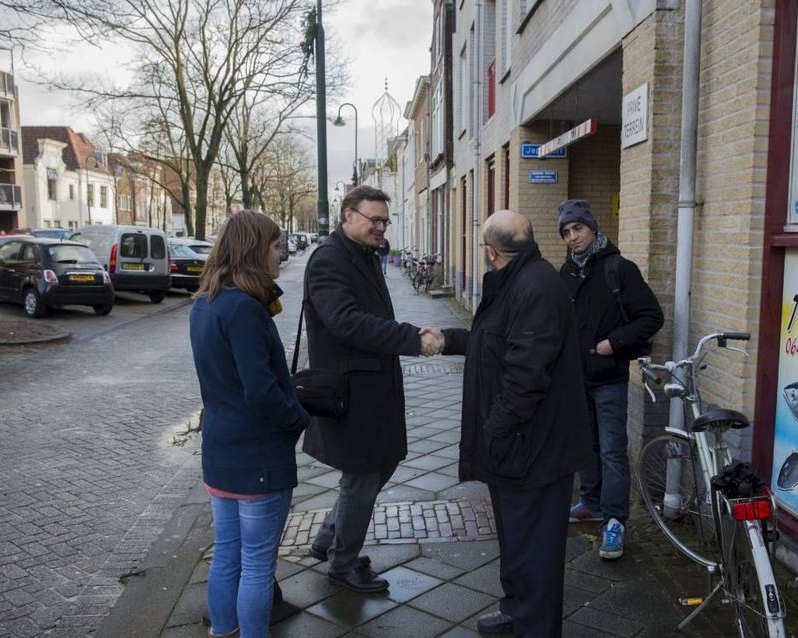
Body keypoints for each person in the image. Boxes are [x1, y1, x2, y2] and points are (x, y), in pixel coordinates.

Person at [432, 210, 593, 637]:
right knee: (517, 541)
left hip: (534, 447)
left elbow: (527, 374)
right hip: (518, 446)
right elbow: (497, 341)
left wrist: (495, 428)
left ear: (490, 251)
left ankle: (533, 627)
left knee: (535, 548)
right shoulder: (519, 280)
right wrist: (450, 340)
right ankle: (516, 612)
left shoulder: (534, 286)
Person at [302, 185, 442, 593]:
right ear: (348, 216)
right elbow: (346, 322)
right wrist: (412, 339)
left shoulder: (362, 255)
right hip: (353, 393)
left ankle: (328, 540)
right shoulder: (329, 260)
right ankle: (343, 565)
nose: (382, 228)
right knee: (363, 475)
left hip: (374, 389)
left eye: (385, 220)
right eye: (373, 220)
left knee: (379, 466)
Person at [189, 210, 309, 638]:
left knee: (227, 556)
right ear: (256, 249)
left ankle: (223, 632)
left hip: (220, 453)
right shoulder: (244, 309)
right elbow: (259, 391)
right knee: (257, 564)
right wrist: (298, 418)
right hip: (256, 458)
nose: (283, 253)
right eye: (277, 246)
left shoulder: (207, 302)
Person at [557, 199, 664, 559]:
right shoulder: (566, 272)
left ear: (593, 228)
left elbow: (651, 317)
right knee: (585, 445)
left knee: (613, 451)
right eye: (567, 232)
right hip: (575, 378)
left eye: (578, 229)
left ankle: (615, 520)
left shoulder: (620, 269)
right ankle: (590, 501)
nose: (573, 237)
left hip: (609, 378)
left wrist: (612, 343)